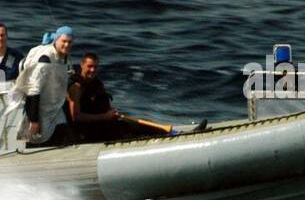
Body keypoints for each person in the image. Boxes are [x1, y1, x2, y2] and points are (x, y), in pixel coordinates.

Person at [67, 53, 206, 142]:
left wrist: (110, 114)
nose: (93, 70)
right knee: (132, 130)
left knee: (138, 126)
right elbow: (76, 117)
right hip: (89, 131)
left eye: (96, 67)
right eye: (90, 66)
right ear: (82, 65)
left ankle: (174, 135)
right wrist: (105, 116)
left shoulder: (96, 83)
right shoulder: (77, 87)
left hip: (104, 123)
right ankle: (172, 137)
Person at [16, 25, 74, 145]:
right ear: (56, 40)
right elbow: (33, 91)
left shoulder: (63, 57)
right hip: (37, 107)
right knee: (36, 137)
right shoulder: (45, 59)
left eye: (70, 42)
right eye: (64, 41)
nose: (67, 45)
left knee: (65, 132)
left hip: (54, 105)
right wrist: (34, 120)